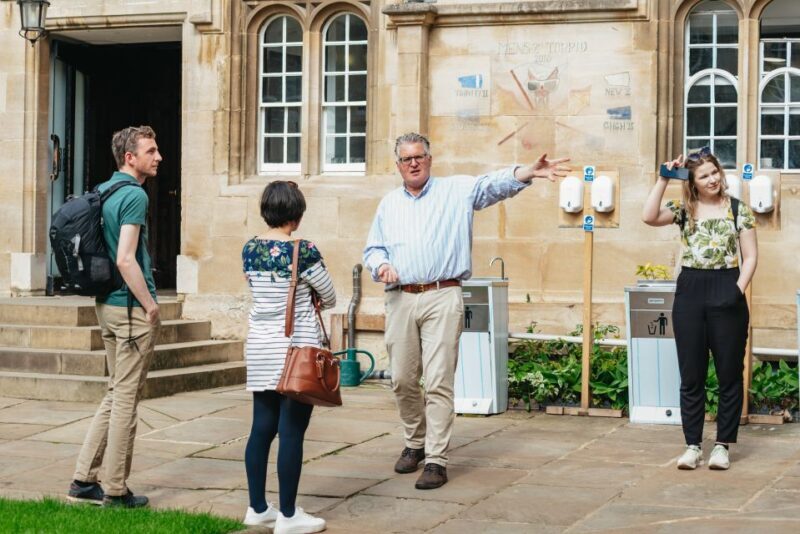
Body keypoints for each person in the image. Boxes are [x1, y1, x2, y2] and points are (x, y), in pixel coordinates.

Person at [363, 132, 570, 489]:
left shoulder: (455, 190)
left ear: (430, 159)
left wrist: (527, 172)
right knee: (401, 379)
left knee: (440, 380)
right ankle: (414, 441)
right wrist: (381, 266)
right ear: (398, 165)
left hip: (443, 295)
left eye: (419, 157)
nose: (413, 163)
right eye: (406, 159)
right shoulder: (388, 204)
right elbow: (373, 249)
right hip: (400, 298)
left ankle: (436, 459)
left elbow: (492, 185)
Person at [642, 147, 757, 471]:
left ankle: (722, 445)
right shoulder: (684, 210)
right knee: (691, 374)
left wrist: (736, 291)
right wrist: (663, 177)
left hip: (727, 289)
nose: (713, 179)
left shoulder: (738, 210)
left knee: (729, 374)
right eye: (704, 175)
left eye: (715, 172)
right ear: (692, 182)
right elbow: (649, 216)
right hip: (690, 292)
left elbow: (750, 256)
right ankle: (692, 445)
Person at [68, 126, 162, 507]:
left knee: (114, 394)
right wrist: (150, 305)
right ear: (130, 158)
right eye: (151, 151)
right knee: (126, 399)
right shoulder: (135, 195)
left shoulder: (104, 191)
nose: (158, 157)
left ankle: (82, 480)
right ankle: (117, 490)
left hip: (106, 307)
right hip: (129, 310)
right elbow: (125, 257)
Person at [241, 181, 335, 533]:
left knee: (261, 428)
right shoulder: (304, 251)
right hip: (296, 349)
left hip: (261, 347)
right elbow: (330, 294)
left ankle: (257, 507)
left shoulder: (249, 249)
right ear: (295, 214)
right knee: (292, 431)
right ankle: (289, 515)